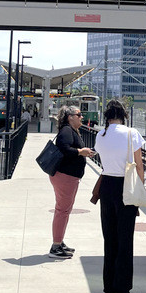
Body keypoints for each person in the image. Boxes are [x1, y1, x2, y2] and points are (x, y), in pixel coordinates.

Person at [94, 100, 144, 293]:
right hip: (125, 186)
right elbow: (139, 165)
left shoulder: (100, 135)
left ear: (107, 116)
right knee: (125, 240)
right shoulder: (131, 133)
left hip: (106, 185)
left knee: (110, 239)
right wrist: (139, 191)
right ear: (123, 114)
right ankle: (123, 292)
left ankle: (109, 290)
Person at [48, 103, 96, 259]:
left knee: (64, 210)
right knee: (62, 211)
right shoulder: (67, 131)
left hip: (68, 176)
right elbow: (64, 149)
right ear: (70, 117)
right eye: (79, 115)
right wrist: (81, 151)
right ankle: (55, 247)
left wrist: (83, 152)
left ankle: (59, 241)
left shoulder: (71, 130)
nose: (82, 117)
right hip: (65, 176)